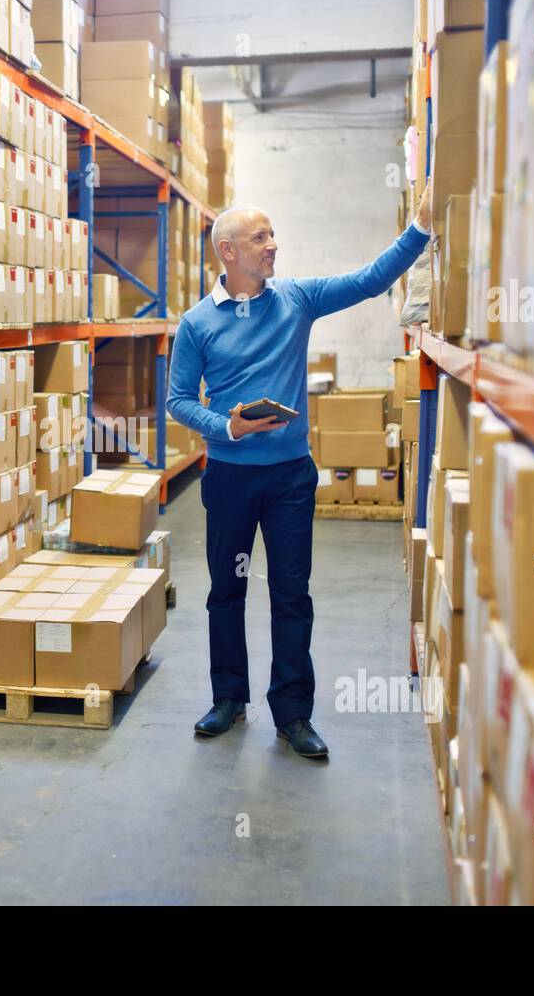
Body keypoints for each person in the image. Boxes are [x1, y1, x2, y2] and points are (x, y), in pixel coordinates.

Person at [165, 181, 433, 759]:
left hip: (289, 477)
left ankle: (292, 712)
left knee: (291, 593)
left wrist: (421, 229)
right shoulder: (197, 324)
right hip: (231, 478)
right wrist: (228, 426)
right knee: (226, 591)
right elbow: (179, 399)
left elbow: (369, 281)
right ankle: (228, 698)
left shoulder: (297, 299)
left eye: (273, 235)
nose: (273, 246)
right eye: (260, 237)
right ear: (227, 252)